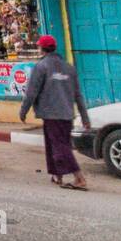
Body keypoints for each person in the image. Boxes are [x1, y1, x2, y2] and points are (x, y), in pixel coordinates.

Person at [20, 34, 91, 190]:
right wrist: (85, 118)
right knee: (54, 145)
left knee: (61, 146)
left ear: (41, 49)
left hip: (52, 114)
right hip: (66, 114)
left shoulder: (41, 66)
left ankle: (79, 178)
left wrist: (23, 111)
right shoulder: (69, 68)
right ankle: (57, 175)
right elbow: (78, 95)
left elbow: (32, 91)